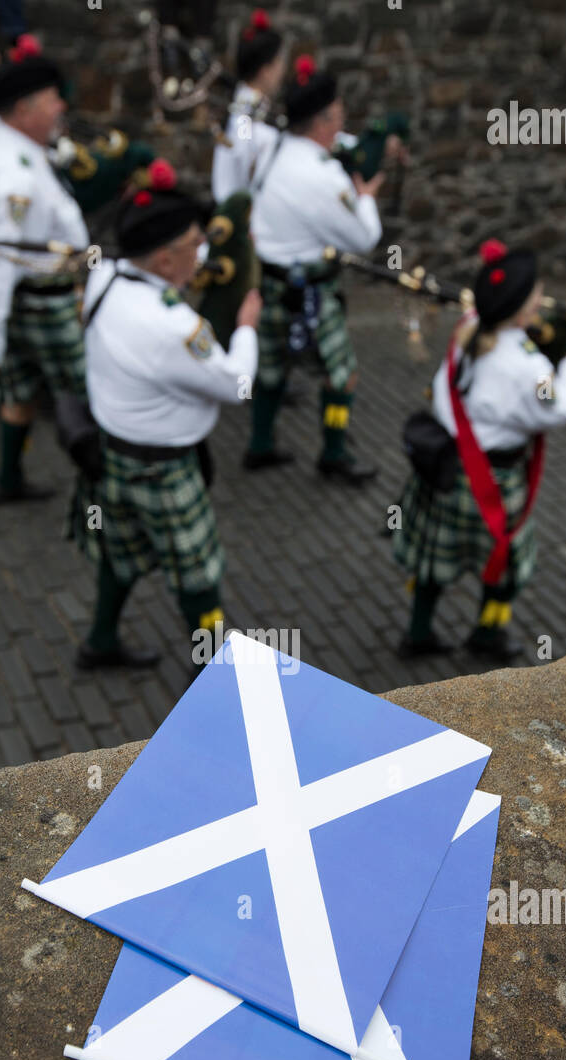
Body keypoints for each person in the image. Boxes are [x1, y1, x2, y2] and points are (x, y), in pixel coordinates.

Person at [74, 161, 261, 669]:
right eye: (193, 244)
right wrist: (245, 327)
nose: (201, 251)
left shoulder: (104, 276)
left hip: (112, 455)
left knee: (121, 551)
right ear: (162, 258)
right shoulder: (174, 326)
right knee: (198, 577)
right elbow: (237, 385)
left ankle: (101, 641)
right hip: (165, 470)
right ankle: (217, 676)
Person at [393, 240, 566, 660]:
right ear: (520, 310)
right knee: (505, 565)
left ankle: (418, 633)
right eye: (537, 294)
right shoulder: (531, 368)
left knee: (433, 560)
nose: (542, 299)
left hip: (446, 467)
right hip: (494, 481)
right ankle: (486, 635)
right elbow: (560, 408)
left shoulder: (469, 324)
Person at [246, 56, 384, 483]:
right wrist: (365, 195)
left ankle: (260, 445)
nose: (343, 115)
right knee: (341, 377)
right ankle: (334, 451)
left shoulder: (272, 146)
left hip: (267, 283)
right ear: (324, 119)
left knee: (269, 372)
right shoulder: (326, 177)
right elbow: (363, 240)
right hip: (311, 293)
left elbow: (337, 141)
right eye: (338, 110)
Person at [0, 38, 90, 503]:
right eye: (53, 99)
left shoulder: (21, 147)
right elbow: (0, 259)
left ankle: (9, 481)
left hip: (36, 298)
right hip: (44, 302)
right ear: (23, 108)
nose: (62, 107)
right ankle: (105, 491)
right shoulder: (10, 173)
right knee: (94, 391)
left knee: (21, 395)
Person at [211, 9, 286, 203]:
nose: (282, 70)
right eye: (278, 62)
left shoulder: (249, 106)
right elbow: (242, 152)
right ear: (265, 70)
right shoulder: (244, 114)